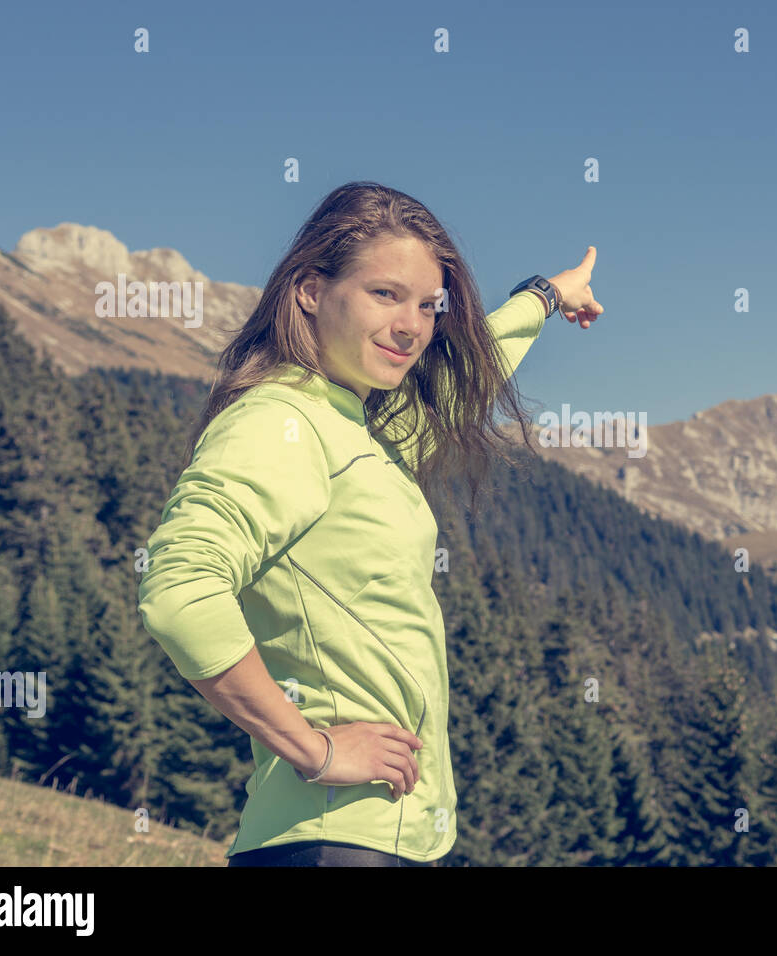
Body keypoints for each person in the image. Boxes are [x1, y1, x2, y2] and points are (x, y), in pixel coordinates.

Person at [137, 181, 603, 866]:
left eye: (427, 305)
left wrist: (543, 297)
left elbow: (465, 379)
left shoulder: (361, 426)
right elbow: (180, 589)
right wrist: (314, 749)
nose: (412, 326)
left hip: (385, 838)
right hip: (334, 839)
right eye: (384, 294)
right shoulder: (283, 420)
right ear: (309, 290)